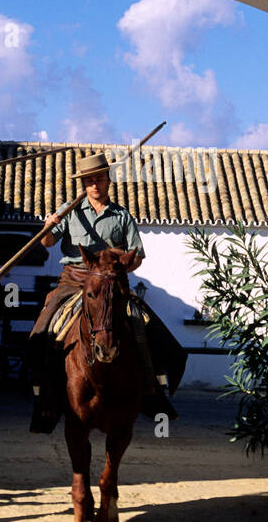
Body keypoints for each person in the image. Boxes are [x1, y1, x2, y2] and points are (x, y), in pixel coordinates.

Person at [27, 152, 180, 433]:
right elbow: (48, 242)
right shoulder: (70, 210)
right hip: (74, 281)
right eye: (89, 180)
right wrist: (47, 226)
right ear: (83, 184)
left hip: (112, 283)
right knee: (43, 329)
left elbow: (138, 257)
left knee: (145, 326)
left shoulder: (121, 216)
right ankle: (46, 398)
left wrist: (120, 263)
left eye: (99, 178)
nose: (94, 184)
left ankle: (151, 392)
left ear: (108, 181)